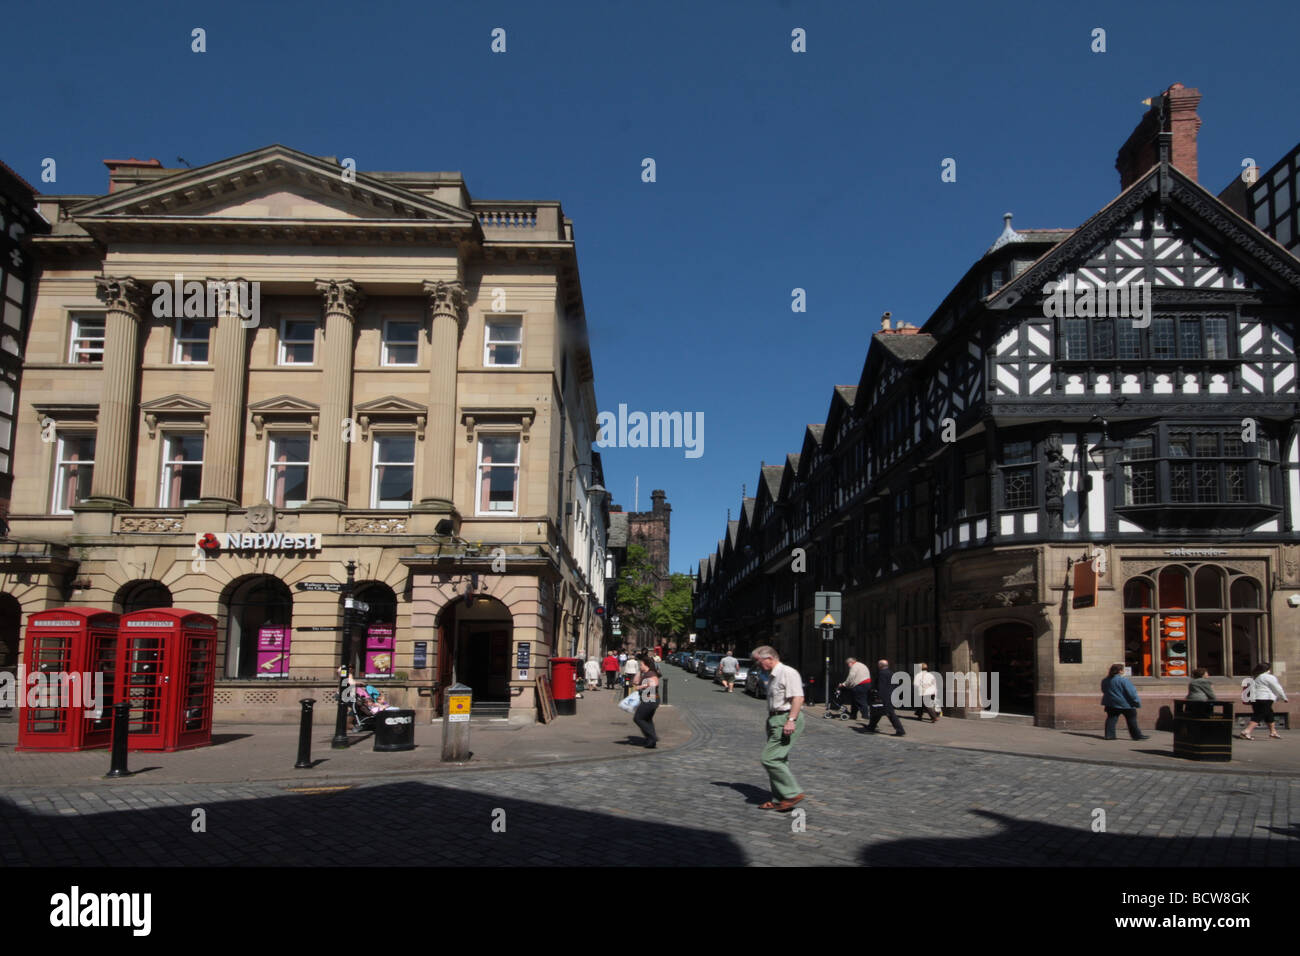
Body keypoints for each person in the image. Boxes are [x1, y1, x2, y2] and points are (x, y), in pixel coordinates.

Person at [751, 645, 806, 811]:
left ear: (769, 658)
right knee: (779, 759)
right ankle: (779, 799)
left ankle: (792, 793)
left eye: (759, 661)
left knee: (770, 758)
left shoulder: (788, 672)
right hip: (775, 719)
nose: (758, 665)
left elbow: (798, 698)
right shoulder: (773, 675)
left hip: (785, 718)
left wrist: (791, 720)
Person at [1240, 662, 1288, 740]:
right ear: (1268, 669)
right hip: (1265, 698)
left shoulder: (1254, 676)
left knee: (1269, 714)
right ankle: (1246, 731)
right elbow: (1278, 688)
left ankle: (1273, 732)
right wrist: (1284, 697)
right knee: (1259, 715)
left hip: (1255, 699)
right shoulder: (1268, 677)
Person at [1101, 663, 1149, 740]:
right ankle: (1136, 735)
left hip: (1111, 703)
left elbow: (1104, 690)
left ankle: (1109, 735)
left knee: (1111, 719)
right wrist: (1136, 701)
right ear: (1120, 671)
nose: (1124, 671)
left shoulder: (1105, 680)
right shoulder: (1123, 680)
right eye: (1123, 670)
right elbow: (1131, 692)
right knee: (1131, 720)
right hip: (1126, 704)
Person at [866, 659, 906, 736]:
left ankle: (900, 730)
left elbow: (881, 686)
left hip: (885, 697)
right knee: (877, 712)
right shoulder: (891, 673)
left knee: (890, 714)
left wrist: (879, 696)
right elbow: (896, 685)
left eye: (878, 664)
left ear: (880, 665)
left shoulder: (882, 673)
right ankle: (871, 726)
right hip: (891, 695)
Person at [630, 654, 660, 748]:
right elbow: (634, 682)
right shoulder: (645, 674)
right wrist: (639, 671)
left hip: (651, 699)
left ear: (646, 665)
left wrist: (642, 686)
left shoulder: (651, 673)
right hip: (646, 699)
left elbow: (655, 683)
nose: (640, 666)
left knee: (638, 718)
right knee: (647, 719)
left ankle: (652, 737)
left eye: (641, 664)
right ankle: (651, 741)